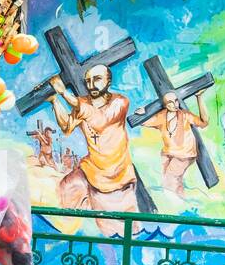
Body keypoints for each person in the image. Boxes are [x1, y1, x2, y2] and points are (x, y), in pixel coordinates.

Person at [48, 64, 154, 234]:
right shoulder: (82, 103)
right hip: (91, 169)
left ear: (108, 81)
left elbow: (100, 120)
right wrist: (55, 101)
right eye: (88, 81)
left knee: (117, 228)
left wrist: (63, 93)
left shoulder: (120, 102)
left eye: (97, 79)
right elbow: (67, 127)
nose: (91, 85)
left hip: (114, 174)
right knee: (66, 189)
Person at [145, 90, 209, 197]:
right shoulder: (161, 116)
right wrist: (144, 111)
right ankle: (181, 200)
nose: (175, 104)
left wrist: (199, 98)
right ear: (165, 105)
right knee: (170, 180)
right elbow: (144, 121)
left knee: (170, 180)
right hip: (168, 153)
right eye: (170, 102)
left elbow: (204, 122)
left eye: (176, 100)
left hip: (184, 154)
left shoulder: (185, 115)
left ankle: (175, 202)